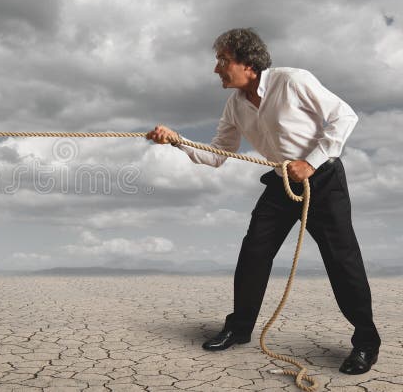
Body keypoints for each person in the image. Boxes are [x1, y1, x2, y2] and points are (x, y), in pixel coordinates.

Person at [147, 28, 381, 375]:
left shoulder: (292, 80)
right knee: (254, 252)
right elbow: (218, 154)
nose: (217, 69)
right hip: (281, 181)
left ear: (248, 63)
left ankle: (366, 343)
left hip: (324, 179)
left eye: (223, 61)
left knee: (341, 260)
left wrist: (312, 161)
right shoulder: (235, 105)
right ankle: (239, 329)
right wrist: (177, 141)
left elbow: (345, 115)